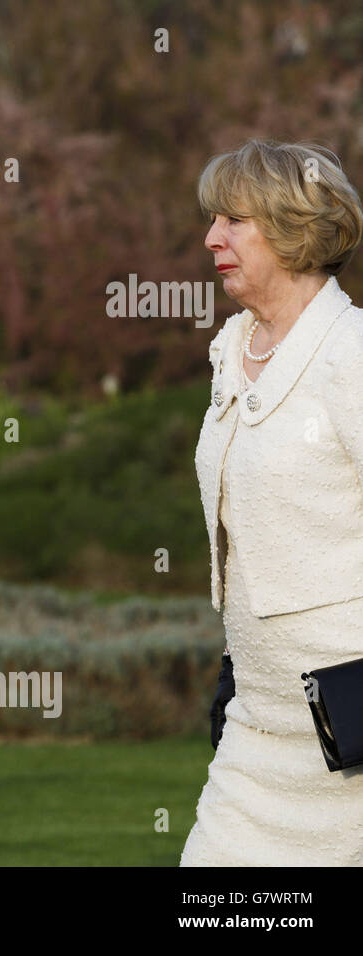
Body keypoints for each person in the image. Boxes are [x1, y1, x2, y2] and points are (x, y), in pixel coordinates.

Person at [183, 139, 363, 866]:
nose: (210, 239)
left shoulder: (350, 355)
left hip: (352, 720)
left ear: (292, 228)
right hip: (255, 716)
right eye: (211, 219)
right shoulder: (231, 348)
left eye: (234, 220)